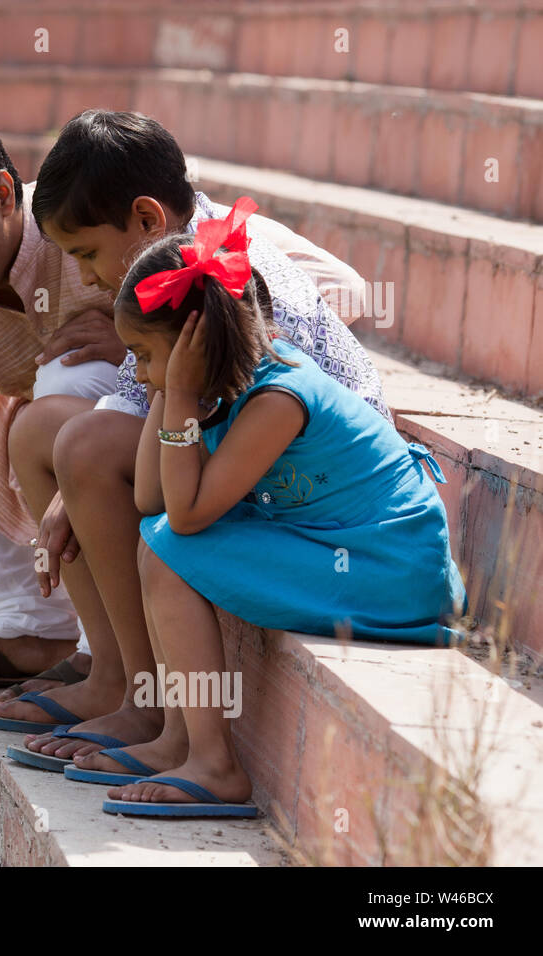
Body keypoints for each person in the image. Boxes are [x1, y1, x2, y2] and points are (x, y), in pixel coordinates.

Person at [0, 93, 366, 816]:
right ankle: (39, 627)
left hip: (279, 457)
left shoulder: (104, 210)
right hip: (138, 445)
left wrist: (159, 336)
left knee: (71, 407)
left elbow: (340, 293)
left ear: (2, 196)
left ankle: (121, 674)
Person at [0, 110, 396, 759]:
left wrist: (90, 476)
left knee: (88, 452)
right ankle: (115, 673)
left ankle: (148, 697)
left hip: (316, 484)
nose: (90, 279)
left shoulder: (228, 276)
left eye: (88, 254)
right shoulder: (174, 262)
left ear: (148, 219)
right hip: (253, 451)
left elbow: (272, 407)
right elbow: (134, 391)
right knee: (45, 432)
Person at [88, 207, 466, 815]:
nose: (136, 370)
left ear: (198, 347)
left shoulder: (277, 395)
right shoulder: (224, 386)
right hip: (345, 552)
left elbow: (180, 521)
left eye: (143, 353)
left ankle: (215, 765)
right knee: (155, 536)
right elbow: (150, 499)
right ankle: (182, 739)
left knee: (168, 547)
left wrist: (178, 390)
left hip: (390, 570)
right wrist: (168, 388)